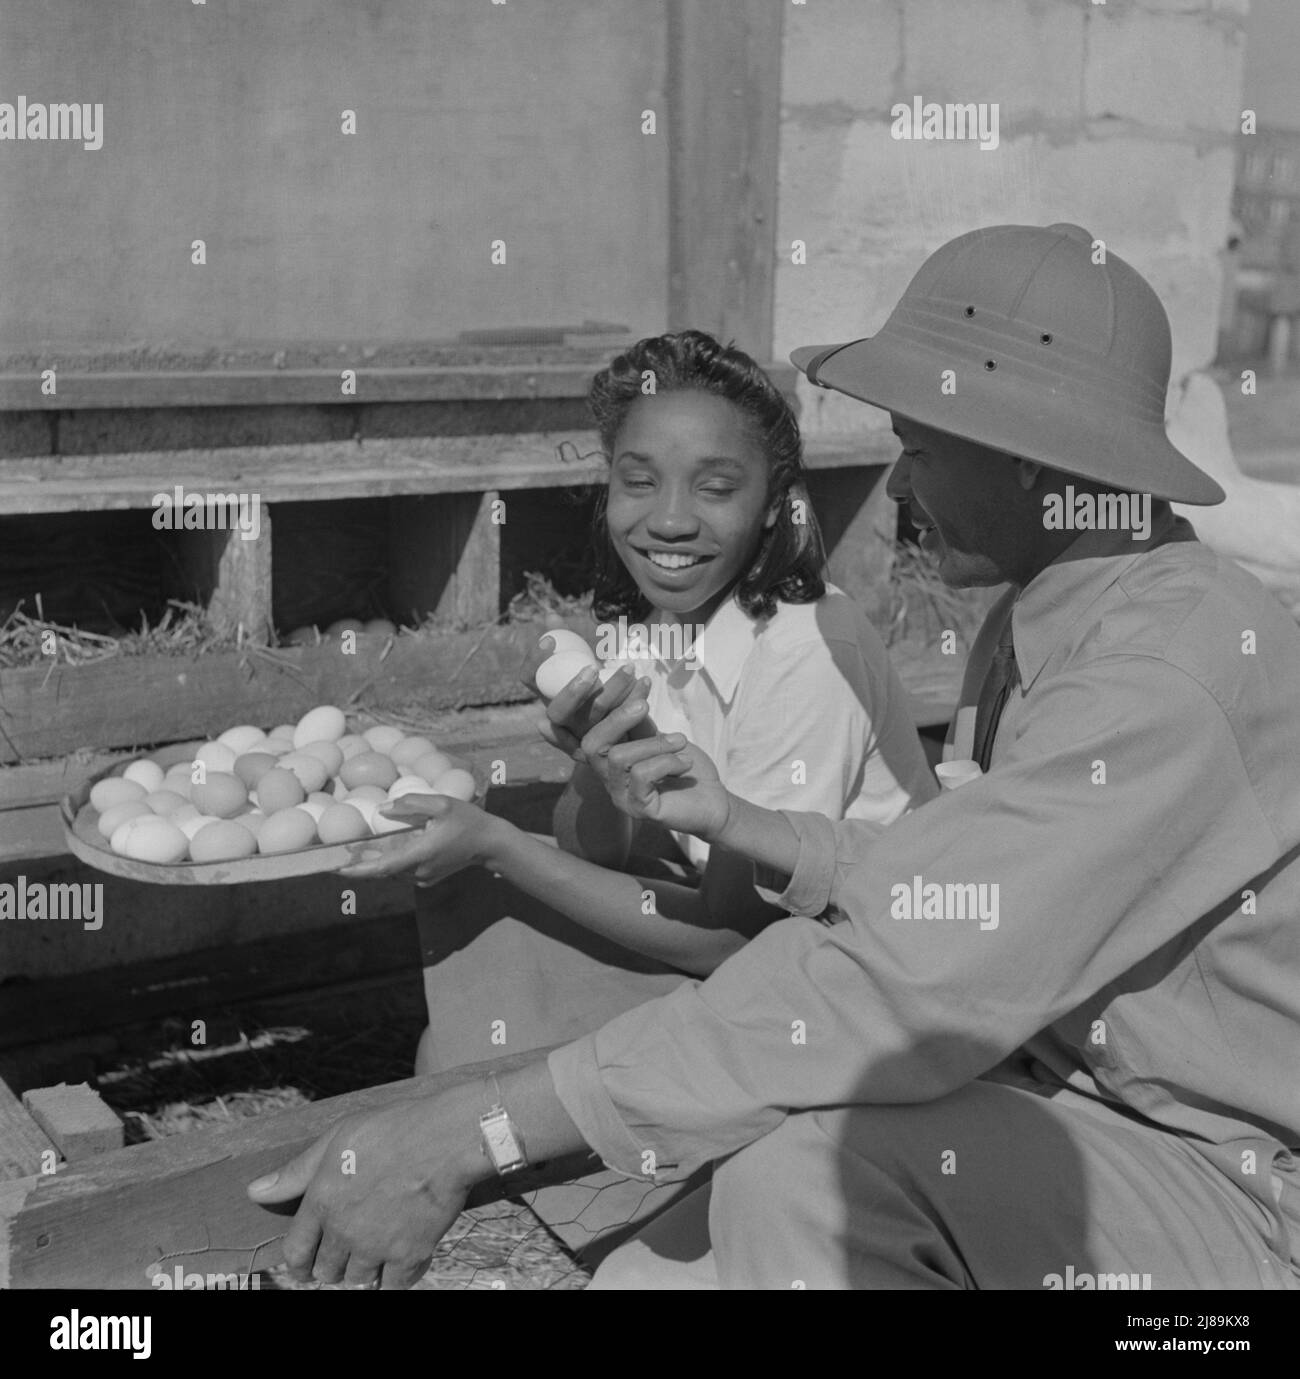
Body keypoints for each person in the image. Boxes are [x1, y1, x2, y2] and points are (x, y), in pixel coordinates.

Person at [248, 223, 1300, 1291]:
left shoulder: (1164, 675)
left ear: (1028, 454)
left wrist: (482, 1128)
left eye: (920, 446)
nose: (895, 486)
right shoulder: (1046, 619)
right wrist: (748, 824)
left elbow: (909, 972)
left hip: (1222, 1180)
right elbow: (961, 883)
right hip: (1054, 1091)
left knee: (809, 1175)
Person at [361, 330, 934, 1076]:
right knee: (457, 1036)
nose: (668, 520)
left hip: (844, 988)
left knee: (463, 1045)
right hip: (736, 945)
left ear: (772, 507)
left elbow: (733, 938)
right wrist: (592, 769)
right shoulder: (648, 626)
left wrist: (497, 845)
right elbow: (594, 849)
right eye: (639, 481)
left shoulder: (805, 649)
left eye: (716, 488)